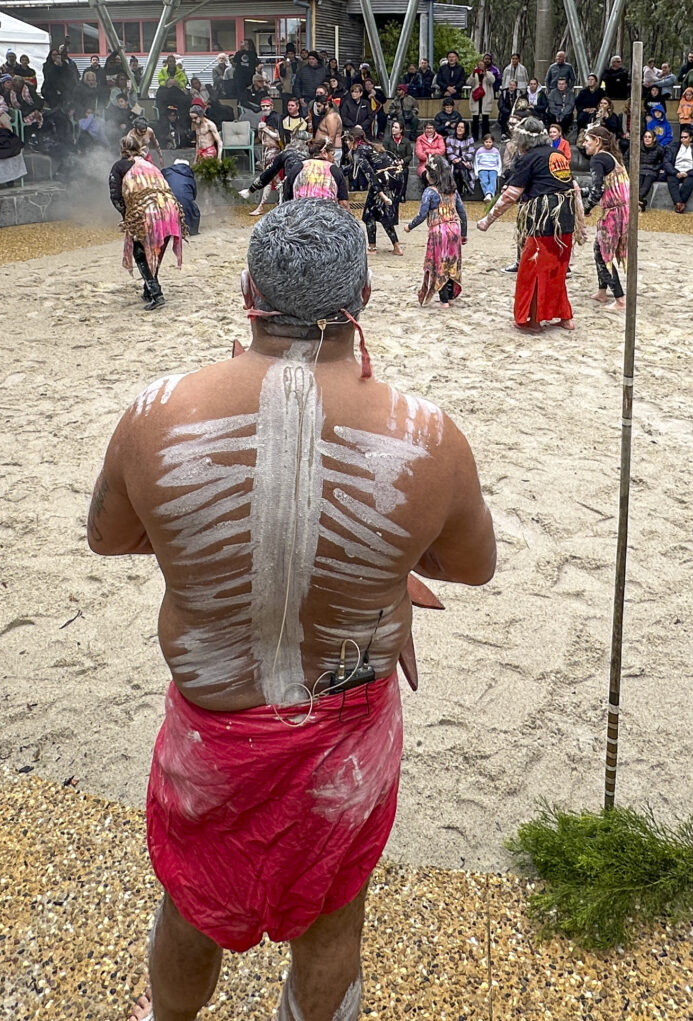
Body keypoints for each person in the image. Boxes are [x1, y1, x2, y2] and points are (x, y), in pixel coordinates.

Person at [86, 199, 494, 1021]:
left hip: (213, 731)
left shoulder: (156, 417)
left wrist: (231, 555)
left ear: (246, 293)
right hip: (344, 726)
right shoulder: (428, 439)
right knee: (333, 919)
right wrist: (374, 570)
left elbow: (111, 536)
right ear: (366, 297)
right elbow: (473, 567)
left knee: (192, 911)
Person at [476, 118, 576, 332]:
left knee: (532, 269)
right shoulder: (557, 155)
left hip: (544, 217)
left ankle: (531, 320)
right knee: (556, 269)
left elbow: (511, 194)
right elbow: (572, 186)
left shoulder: (528, 158)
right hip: (565, 217)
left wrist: (488, 220)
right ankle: (565, 317)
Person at [110, 129, 182, 310]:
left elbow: (115, 196)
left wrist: (127, 217)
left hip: (146, 210)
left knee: (139, 251)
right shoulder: (150, 165)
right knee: (156, 249)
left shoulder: (119, 166)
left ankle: (156, 293)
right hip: (170, 210)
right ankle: (148, 288)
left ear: (122, 149)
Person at [579, 125, 630, 308]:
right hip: (622, 210)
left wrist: (586, 208)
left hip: (613, 212)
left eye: (587, 141)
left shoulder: (599, 159)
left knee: (603, 252)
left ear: (597, 141)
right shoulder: (613, 157)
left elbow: (598, 188)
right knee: (598, 248)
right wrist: (581, 191)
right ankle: (602, 291)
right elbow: (603, 187)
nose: (585, 145)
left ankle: (620, 299)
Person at [405, 156, 465, 306]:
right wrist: (464, 233)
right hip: (454, 229)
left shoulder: (429, 192)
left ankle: (444, 300)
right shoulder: (452, 191)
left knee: (440, 265)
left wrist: (409, 226)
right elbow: (462, 212)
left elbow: (422, 214)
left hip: (439, 232)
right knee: (452, 263)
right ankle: (450, 296)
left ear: (431, 175)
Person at [362, 146, 404, 255]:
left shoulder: (360, 152)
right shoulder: (377, 149)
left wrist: (381, 194)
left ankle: (372, 248)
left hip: (381, 182)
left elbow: (370, 175)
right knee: (385, 215)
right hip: (392, 182)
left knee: (369, 214)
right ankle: (397, 246)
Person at [664, 129, 693, 213]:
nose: (683, 139)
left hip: (691, 173)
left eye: (685, 137)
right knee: (671, 180)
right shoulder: (673, 147)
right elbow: (666, 162)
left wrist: (688, 173)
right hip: (676, 171)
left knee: (689, 182)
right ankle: (678, 203)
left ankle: (680, 203)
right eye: (681, 137)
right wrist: (675, 172)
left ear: (691, 138)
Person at [162, 156, 200, 236]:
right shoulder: (190, 177)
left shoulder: (166, 172)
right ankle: (192, 231)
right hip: (185, 205)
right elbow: (194, 195)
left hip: (167, 204)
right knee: (193, 210)